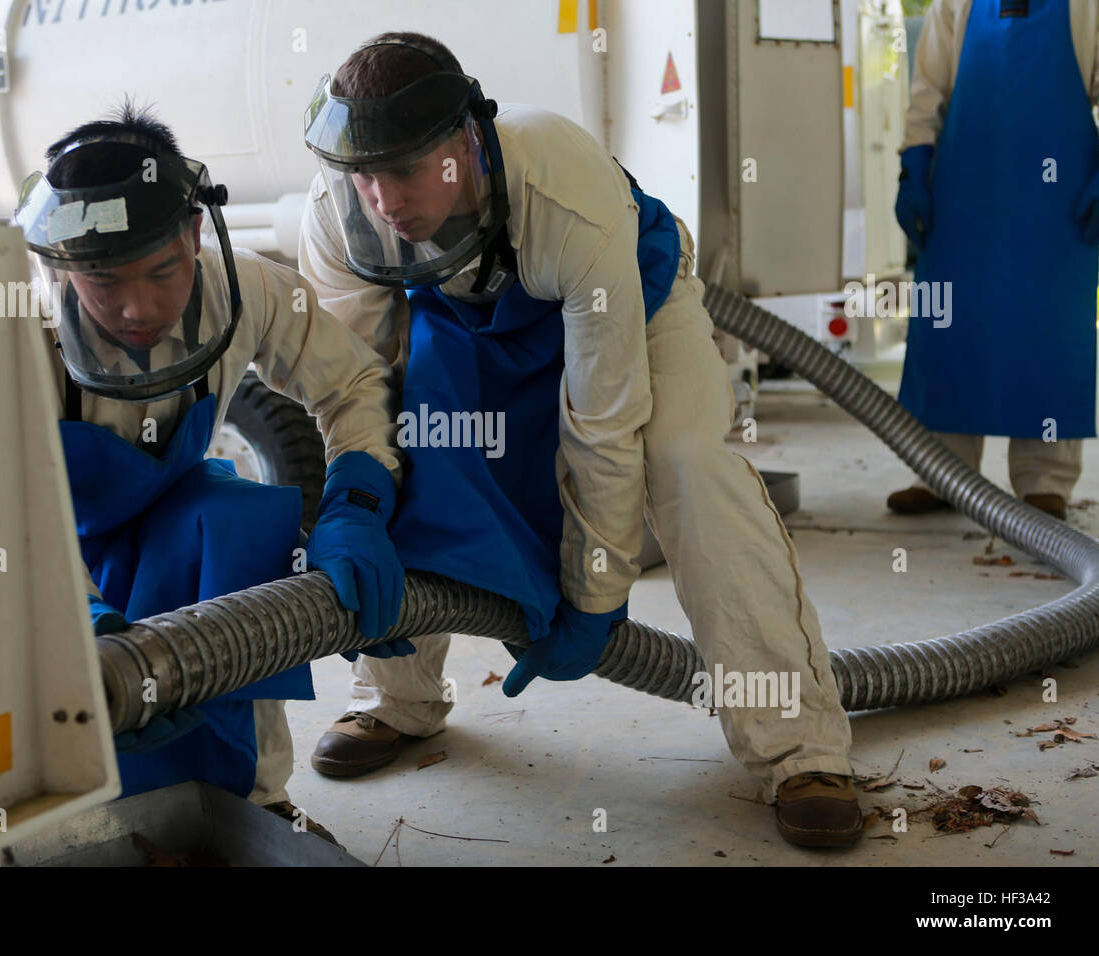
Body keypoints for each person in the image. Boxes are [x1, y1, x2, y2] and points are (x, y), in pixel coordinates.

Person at [297, 34, 862, 847]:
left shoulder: (561, 187)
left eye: (407, 170)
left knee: (684, 460)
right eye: (365, 173)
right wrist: (355, 492)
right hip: (470, 317)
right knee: (415, 447)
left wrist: (596, 592)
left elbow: (603, 418)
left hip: (628, 291)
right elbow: (360, 390)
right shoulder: (338, 218)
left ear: (464, 142)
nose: (382, 199)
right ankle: (397, 698)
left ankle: (801, 749)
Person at [14, 104, 411, 844]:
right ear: (64, 268)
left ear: (194, 234)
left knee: (237, 515)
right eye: (104, 283)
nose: (138, 307)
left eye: (162, 271)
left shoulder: (246, 290)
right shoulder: (13, 341)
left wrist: (354, 504)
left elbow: (355, 384)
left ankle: (258, 800)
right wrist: (83, 625)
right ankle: (93, 828)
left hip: (175, 522)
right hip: (50, 561)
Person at [887, 0, 1099, 519]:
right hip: (965, 185)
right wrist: (915, 158)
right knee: (951, 323)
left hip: (1059, 197)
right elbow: (929, 82)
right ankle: (940, 472)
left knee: (1050, 328)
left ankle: (1044, 481)